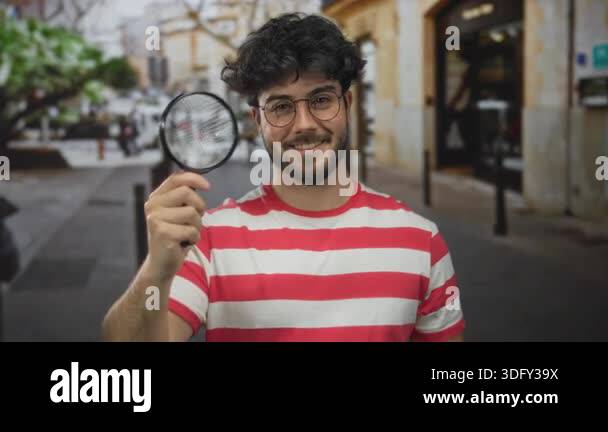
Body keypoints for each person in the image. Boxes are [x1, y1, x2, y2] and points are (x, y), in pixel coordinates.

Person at [102, 13, 465, 342]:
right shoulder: (208, 239)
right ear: (258, 120)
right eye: (281, 107)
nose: (304, 125)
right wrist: (156, 271)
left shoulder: (420, 240)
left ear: (347, 106)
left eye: (321, 100)